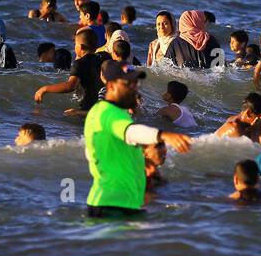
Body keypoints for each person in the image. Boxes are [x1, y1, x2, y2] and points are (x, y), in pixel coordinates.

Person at [82, 61, 192, 218]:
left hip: (121, 200)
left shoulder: (104, 111)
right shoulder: (109, 113)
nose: (134, 88)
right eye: (128, 84)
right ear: (111, 86)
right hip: (111, 204)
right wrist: (163, 135)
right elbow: (131, 132)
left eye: (135, 83)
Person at [33, 28, 103, 114]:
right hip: (100, 106)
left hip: (87, 107)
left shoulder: (79, 63)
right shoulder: (101, 60)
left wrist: (45, 89)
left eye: (75, 44)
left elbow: (70, 86)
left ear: (80, 47)